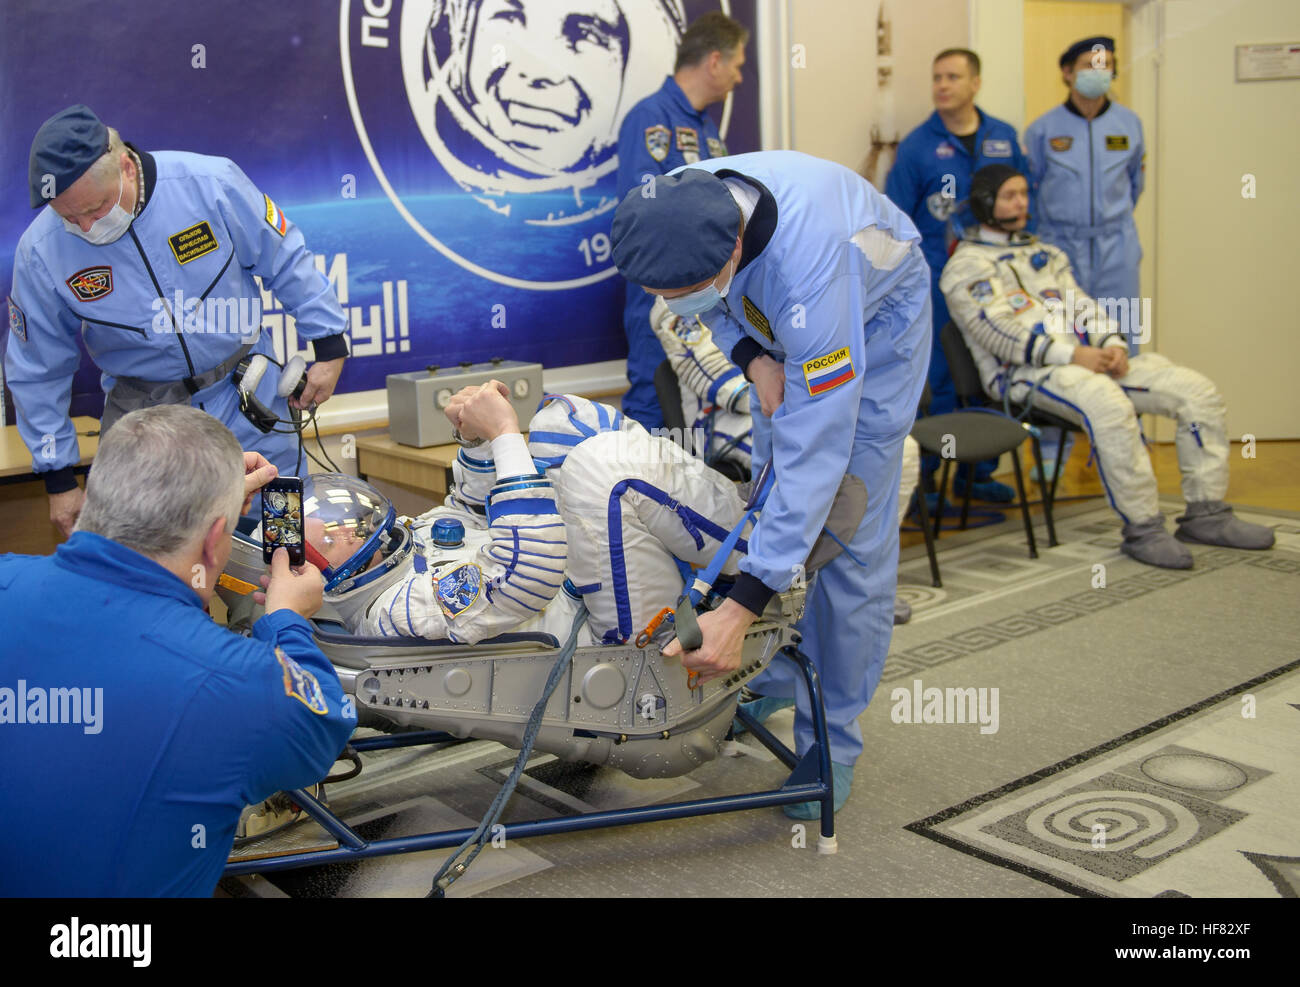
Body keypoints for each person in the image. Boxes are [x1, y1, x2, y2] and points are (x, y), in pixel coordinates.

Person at [611, 153, 932, 817]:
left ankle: (833, 742)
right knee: (774, 502)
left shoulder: (812, 272)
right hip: (777, 329)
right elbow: (708, 304)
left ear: (732, 246)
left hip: (879, 317)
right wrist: (751, 356)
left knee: (844, 528)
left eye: (684, 289)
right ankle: (782, 669)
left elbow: (819, 451)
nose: (671, 305)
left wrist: (740, 605)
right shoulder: (687, 204)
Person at [0, 405, 353, 896]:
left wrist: (212, 505)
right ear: (214, 542)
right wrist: (288, 620)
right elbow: (325, 726)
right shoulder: (244, 684)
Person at [6, 104, 349, 538]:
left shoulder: (210, 183)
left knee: (286, 547)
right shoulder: (41, 252)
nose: (88, 227)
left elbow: (284, 255)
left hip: (250, 405)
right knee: (154, 572)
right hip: (147, 429)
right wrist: (57, 478)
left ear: (126, 167)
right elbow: (37, 368)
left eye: (95, 208)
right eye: (69, 218)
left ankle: (278, 606)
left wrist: (330, 344)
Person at [938, 165, 1274, 568]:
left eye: (1024, 193)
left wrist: (1110, 344)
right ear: (985, 203)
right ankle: (1144, 527)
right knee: (1109, 405)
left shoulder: (1046, 256)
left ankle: (1207, 513)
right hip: (1025, 376)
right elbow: (997, 334)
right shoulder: (967, 266)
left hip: (1086, 364)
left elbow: (1083, 306)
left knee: (1195, 391)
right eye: (1010, 195)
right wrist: (1072, 356)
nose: (1021, 203)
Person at [303, 384, 753, 650]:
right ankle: (760, 561)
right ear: (332, 581)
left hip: (584, 579)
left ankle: (739, 550)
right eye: (321, 541)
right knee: (605, 467)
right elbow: (521, 576)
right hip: (609, 640)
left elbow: (473, 513)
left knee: (564, 423)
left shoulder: (400, 548)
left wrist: (475, 441)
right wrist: (503, 435)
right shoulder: (393, 611)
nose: (329, 525)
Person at [649, 295, 921, 623]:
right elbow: (715, 378)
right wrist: (786, 388)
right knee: (814, 468)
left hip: (797, 400)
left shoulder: (765, 273)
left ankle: (865, 582)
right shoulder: (681, 299)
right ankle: (788, 587)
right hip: (731, 417)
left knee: (902, 451)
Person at [886, 47, 1030, 505]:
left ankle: (977, 474)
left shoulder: (1003, 137)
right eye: (937, 77)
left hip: (993, 278)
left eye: (952, 77)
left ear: (976, 83)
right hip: (935, 279)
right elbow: (893, 220)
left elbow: (1022, 200)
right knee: (940, 376)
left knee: (991, 368)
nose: (942, 86)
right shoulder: (917, 147)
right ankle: (927, 479)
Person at [615, 11, 748, 431]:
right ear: (714, 61)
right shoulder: (650, 118)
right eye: (737, 65)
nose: (739, 78)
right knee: (654, 404)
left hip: (710, 294)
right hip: (662, 295)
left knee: (703, 416)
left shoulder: (708, 129)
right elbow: (643, 213)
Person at [1024, 36, 1144, 353]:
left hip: (1116, 248)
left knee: (1123, 340)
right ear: (1067, 73)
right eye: (1089, 65)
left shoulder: (1130, 125)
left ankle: (1127, 402)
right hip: (1060, 247)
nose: (1098, 72)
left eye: (1105, 65)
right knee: (1065, 342)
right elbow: (1030, 191)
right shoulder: (1043, 130)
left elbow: (1135, 185)